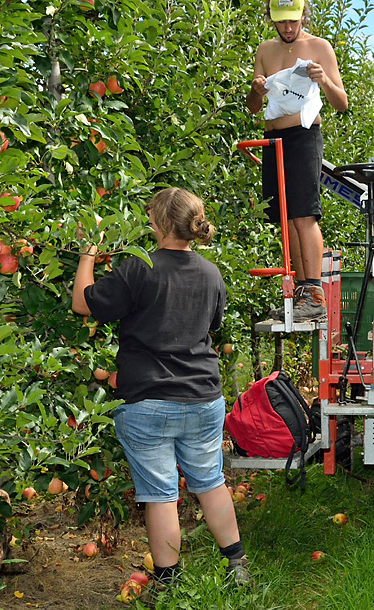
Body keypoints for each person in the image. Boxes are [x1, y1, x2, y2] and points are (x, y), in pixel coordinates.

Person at [72, 188, 250, 587]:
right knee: (211, 482)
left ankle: (170, 583)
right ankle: (238, 568)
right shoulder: (210, 272)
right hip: (203, 398)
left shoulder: (139, 267)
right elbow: (213, 325)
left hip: (149, 401)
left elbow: (84, 304)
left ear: (158, 222)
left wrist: (88, 255)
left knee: (160, 494)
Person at [246, 0, 349, 321]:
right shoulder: (265, 50)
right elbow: (252, 108)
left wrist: (324, 80)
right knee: (285, 216)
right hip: (274, 138)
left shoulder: (319, 47)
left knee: (305, 213)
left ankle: (314, 292)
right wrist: (256, 89)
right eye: (281, 22)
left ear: (304, 16)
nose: (288, 29)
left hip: (305, 135)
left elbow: (341, 104)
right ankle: (297, 294)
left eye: (293, 21)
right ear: (272, 20)